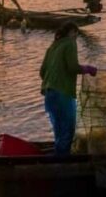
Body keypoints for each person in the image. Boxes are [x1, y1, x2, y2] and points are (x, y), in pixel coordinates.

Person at [40, 22, 97, 155]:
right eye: (76, 34)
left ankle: (57, 158)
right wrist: (87, 69)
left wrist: (53, 80)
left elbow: (42, 72)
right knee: (68, 130)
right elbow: (72, 67)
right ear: (72, 32)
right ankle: (62, 163)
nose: (76, 37)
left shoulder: (52, 47)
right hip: (63, 93)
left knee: (59, 131)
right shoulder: (70, 43)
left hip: (49, 94)